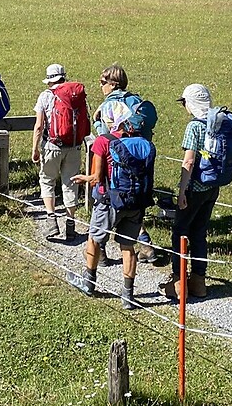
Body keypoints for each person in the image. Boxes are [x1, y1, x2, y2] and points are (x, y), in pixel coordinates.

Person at [69, 102, 150, 310]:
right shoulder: (141, 142)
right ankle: (128, 296)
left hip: (108, 201)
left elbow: (96, 178)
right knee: (128, 246)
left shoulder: (103, 141)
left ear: (108, 120)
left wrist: (83, 178)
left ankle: (88, 282)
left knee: (94, 239)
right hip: (135, 202)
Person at [160, 84, 219, 300]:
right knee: (199, 233)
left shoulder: (194, 126)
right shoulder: (218, 122)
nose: (184, 107)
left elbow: (189, 160)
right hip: (213, 186)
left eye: (184, 102)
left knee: (180, 232)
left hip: (195, 187)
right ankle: (199, 283)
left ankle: (178, 284)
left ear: (191, 103)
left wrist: (182, 190)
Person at [93, 63, 156, 263]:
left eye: (103, 82)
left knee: (109, 206)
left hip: (115, 165)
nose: (100, 86)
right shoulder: (136, 100)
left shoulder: (109, 106)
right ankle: (145, 244)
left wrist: (96, 122)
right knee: (134, 202)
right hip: (139, 160)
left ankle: (100, 251)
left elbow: (106, 139)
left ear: (112, 84)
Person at [32, 64, 86, 240]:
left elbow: (39, 126)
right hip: (74, 146)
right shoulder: (76, 95)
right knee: (70, 183)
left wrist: (35, 149)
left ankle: (51, 220)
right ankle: (71, 224)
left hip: (51, 146)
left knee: (47, 181)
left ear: (49, 80)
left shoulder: (45, 96)